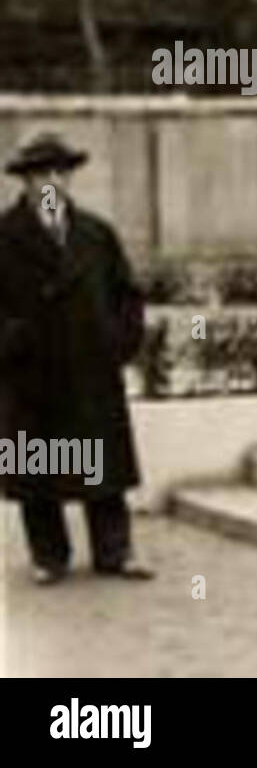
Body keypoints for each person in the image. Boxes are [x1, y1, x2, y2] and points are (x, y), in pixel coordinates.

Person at [0, 131, 153, 584]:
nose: (51, 182)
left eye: (59, 172)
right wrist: (13, 340)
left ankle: (115, 552)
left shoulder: (96, 234)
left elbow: (128, 296)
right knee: (40, 471)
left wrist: (118, 342)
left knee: (104, 469)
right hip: (33, 374)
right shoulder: (4, 237)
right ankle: (49, 558)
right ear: (24, 182)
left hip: (91, 368)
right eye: (40, 174)